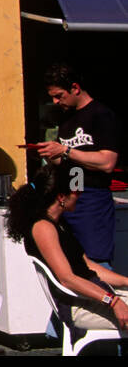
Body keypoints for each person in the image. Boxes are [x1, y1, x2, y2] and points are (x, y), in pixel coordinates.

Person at [5, 163, 128, 335]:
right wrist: (113, 301)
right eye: (76, 191)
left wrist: (125, 281)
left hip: (94, 296)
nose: (80, 194)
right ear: (61, 197)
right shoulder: (43, 228)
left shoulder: (59, 224)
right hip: (79, 305)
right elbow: (67, 279)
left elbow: (89, 266)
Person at [36, 63, 123, 264]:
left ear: (75, 88)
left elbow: (107, 162)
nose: (56, 101)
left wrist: (66, 151)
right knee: (69, 259)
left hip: (92, 200)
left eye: (59, 95)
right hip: (69, 194)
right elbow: (70, 161)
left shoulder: (101, 115)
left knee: (95, 261)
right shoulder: (67, 118)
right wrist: (49, 154)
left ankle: (103, 296)